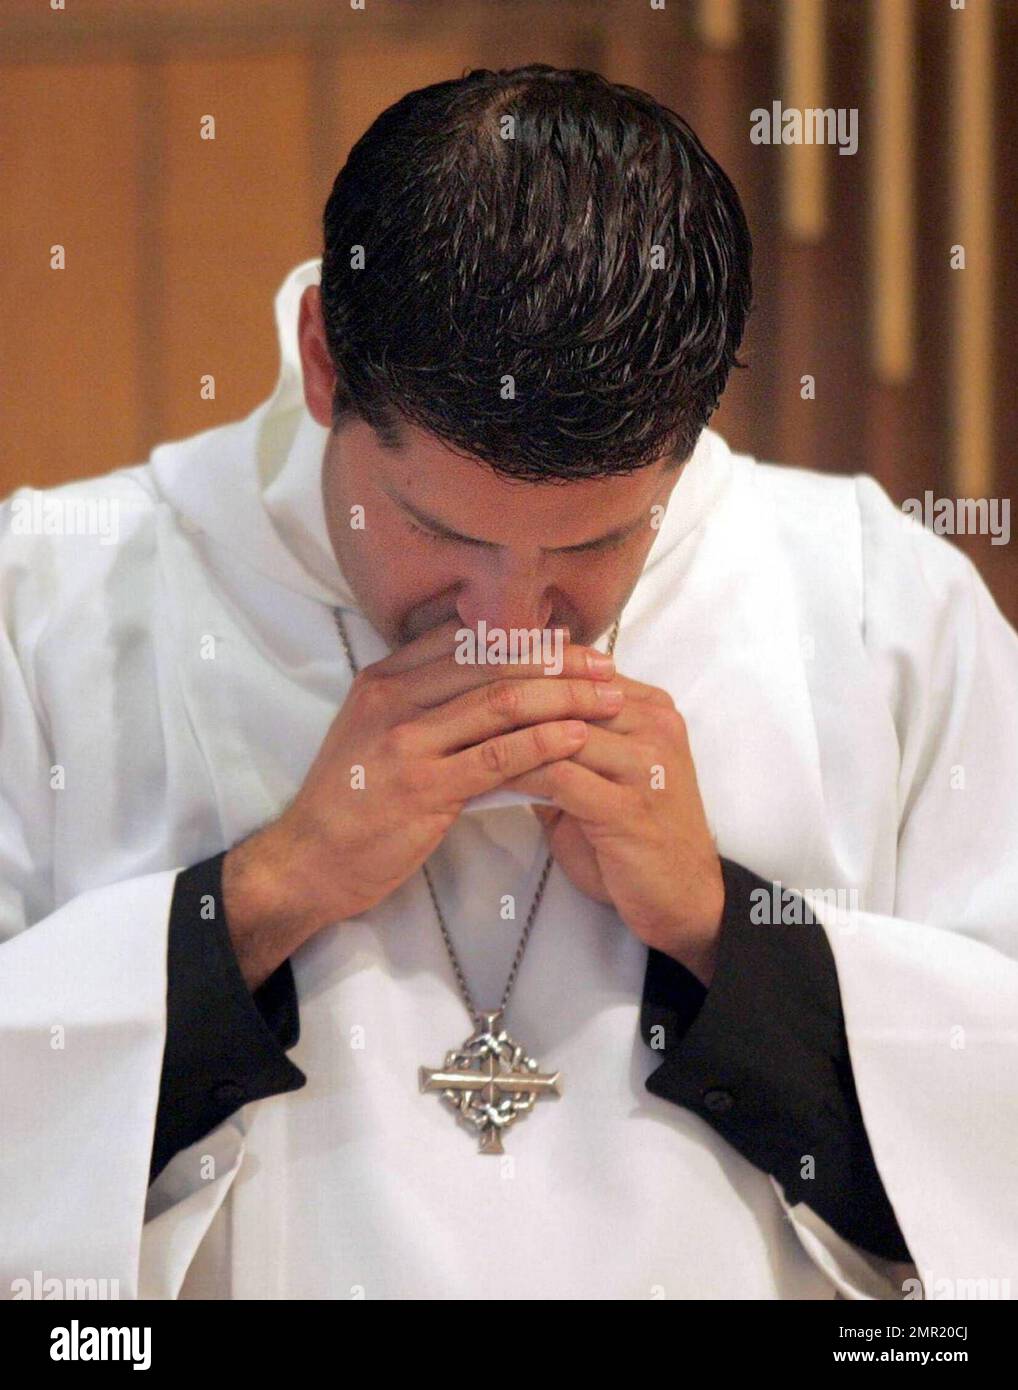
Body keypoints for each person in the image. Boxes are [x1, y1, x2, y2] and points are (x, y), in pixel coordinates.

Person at [2, 64, 1015, 1302]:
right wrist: (264, 896)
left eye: (593, 547)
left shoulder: (877, 606)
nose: (507, 624)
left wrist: (720, 930)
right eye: (441, 532)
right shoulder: (51, 600)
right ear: (326, 362)